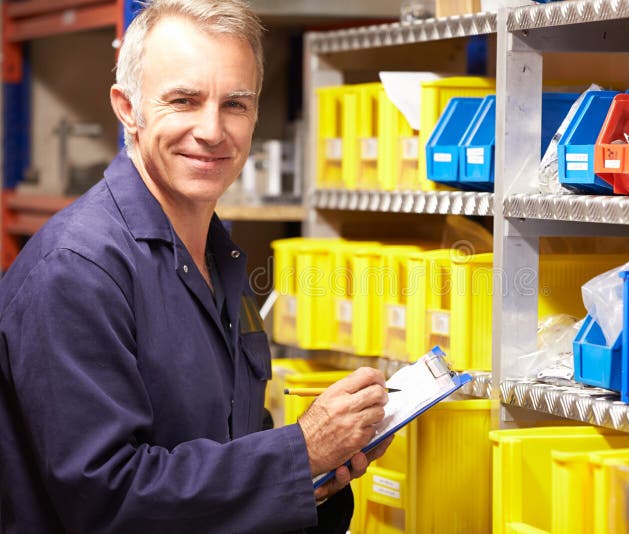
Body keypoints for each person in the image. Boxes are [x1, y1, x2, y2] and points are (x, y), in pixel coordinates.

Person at [0, 1, 391, 532]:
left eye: (235, 104)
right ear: (127, 108)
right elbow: (107, 504)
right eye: (183, 100)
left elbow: (231, 442)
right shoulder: (78, 270)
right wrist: (300, 454)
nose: (212, 130)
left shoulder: (217, 256)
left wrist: (323, 474)